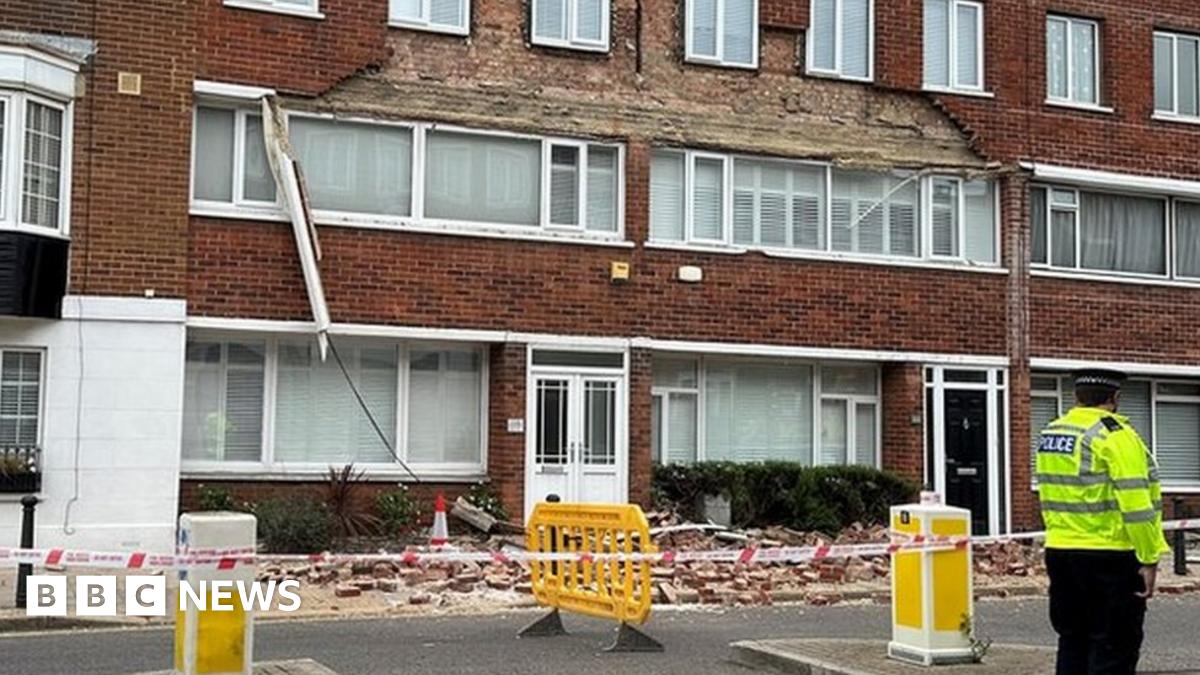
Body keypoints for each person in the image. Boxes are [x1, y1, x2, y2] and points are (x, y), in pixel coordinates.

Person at [1036, 369, 1170, 675]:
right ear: (1115, 398)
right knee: (1114, 647)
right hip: (1110, 555)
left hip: (1060, 551)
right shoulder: (1116, 437)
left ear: (1076, 397)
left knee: (1072, 641)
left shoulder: (1052, 433)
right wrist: (1149, 559)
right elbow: (1137, 505)